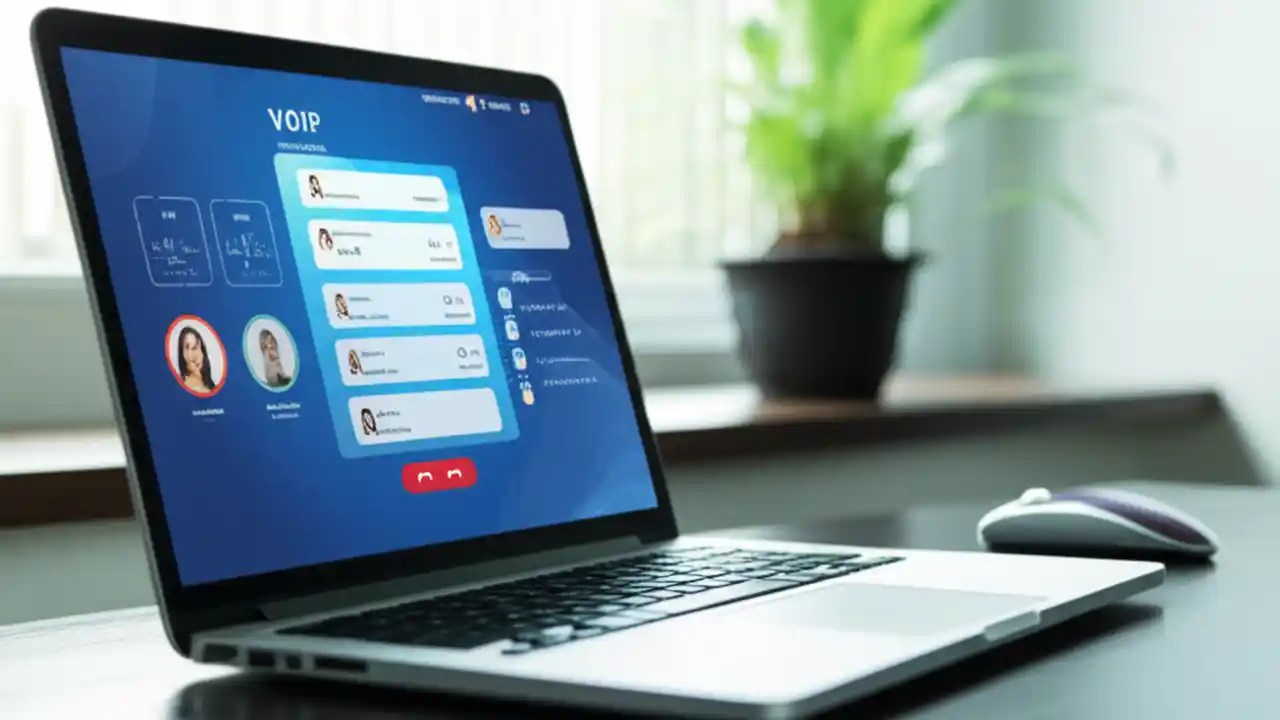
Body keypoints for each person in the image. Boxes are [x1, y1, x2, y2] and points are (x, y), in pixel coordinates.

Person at [175, 325, 216, 395]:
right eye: (187, 348)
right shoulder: (188, 385)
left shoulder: (207, 382)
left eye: (195, 347)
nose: (193, 355)